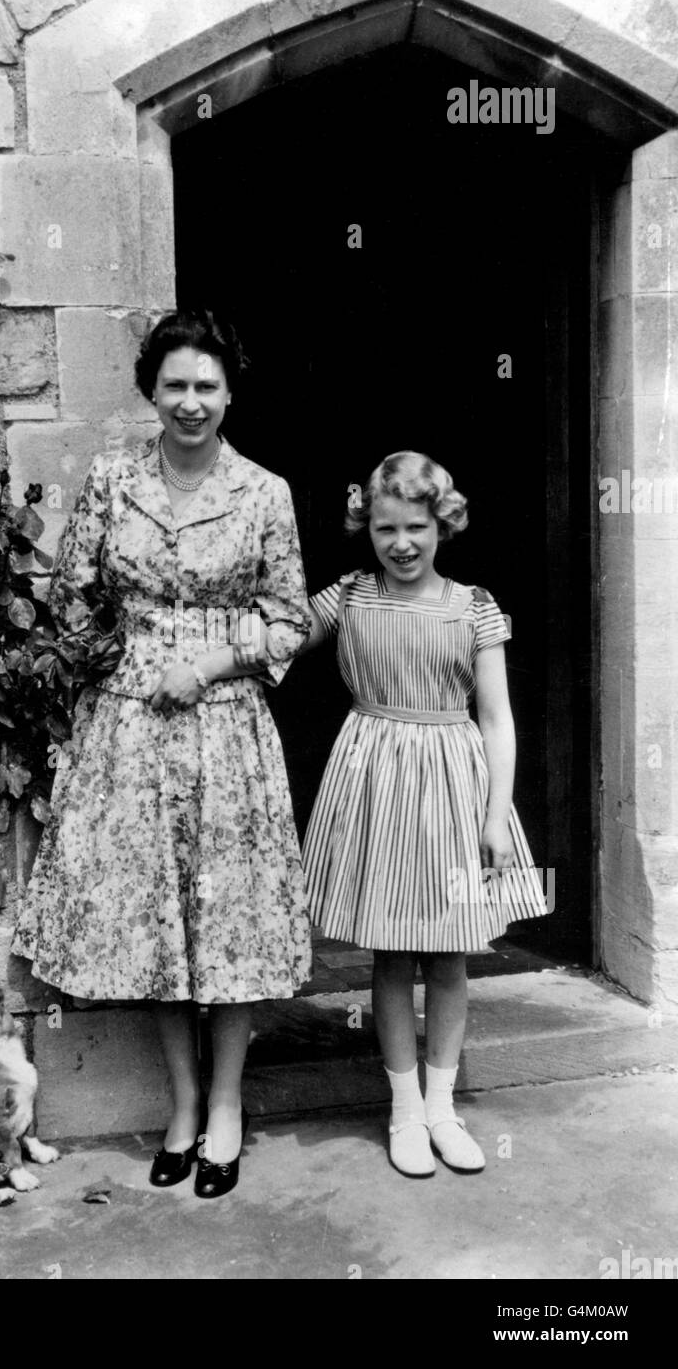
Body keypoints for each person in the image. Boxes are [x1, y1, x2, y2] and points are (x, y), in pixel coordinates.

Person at [12, 309, 312, 1199]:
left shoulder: (265, 493)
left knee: (230, 924)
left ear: (229, 394)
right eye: (175, 385)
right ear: (151, 390)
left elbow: (290, 617)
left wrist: (212, 660)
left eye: (207, 387)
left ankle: (227, 1109)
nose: (191, 403)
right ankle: (182, 1106)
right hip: (132, 727)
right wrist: (116, 669)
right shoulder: (111, 481)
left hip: (225, 727)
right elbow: (73, 597)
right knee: (157, 922)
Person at [295, 451, 549, 1177]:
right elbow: (281, 635)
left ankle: (443, 1107)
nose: (401, 543)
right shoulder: (347, 596)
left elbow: (497, 719)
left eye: (416, 527)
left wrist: (496, 817)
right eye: (384, 529)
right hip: (374, 777)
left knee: (449, 950)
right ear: (365, 528)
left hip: (453, 783)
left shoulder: (474, 607)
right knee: (392, 949)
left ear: (443, 524)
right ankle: (404, 1109)